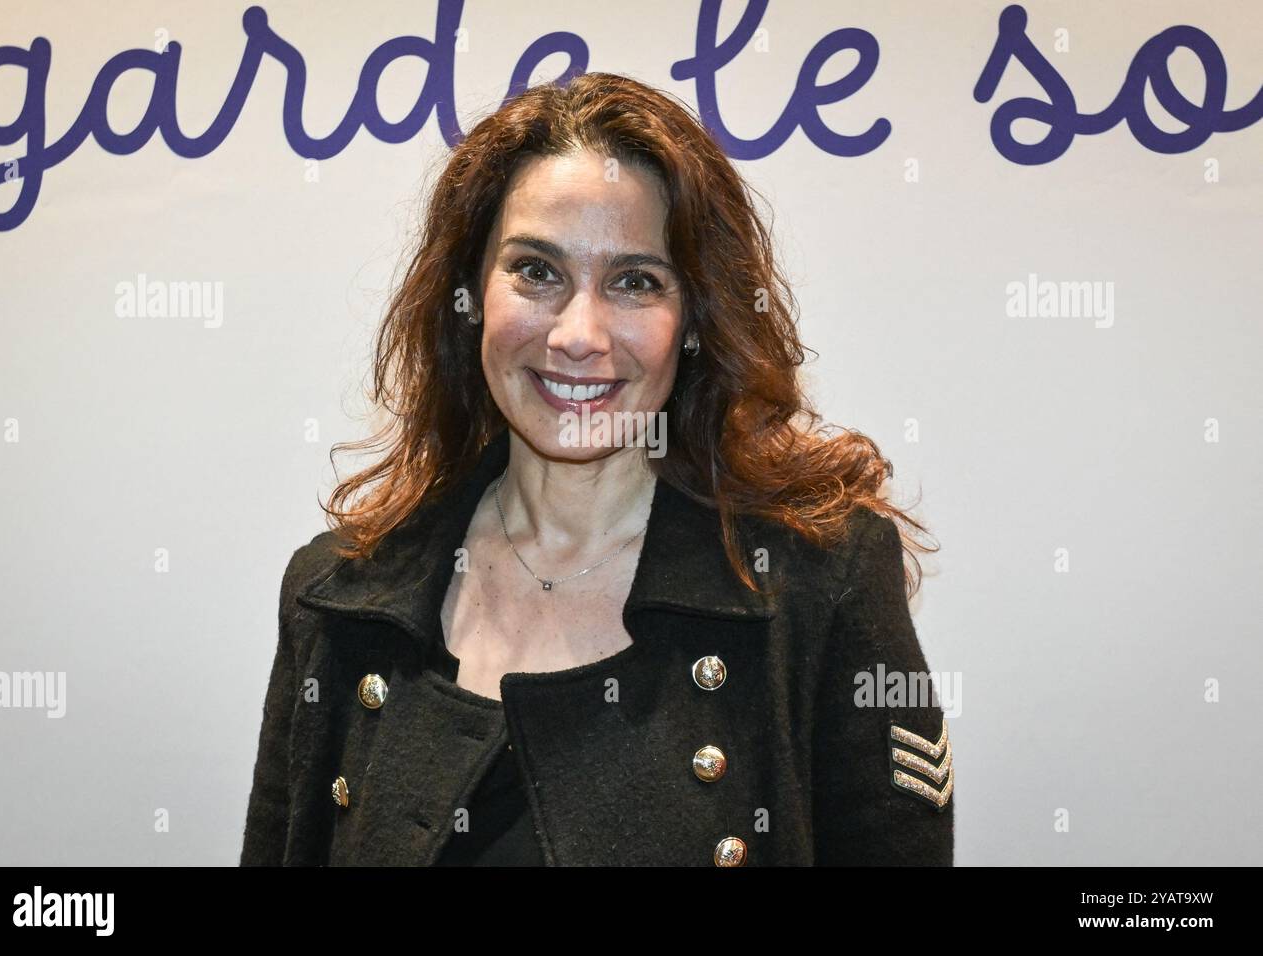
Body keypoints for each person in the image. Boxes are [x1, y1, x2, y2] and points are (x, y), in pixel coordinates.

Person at [239, 72, 952, 867]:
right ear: (471, 294)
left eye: (634, 282)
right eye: (537, 272)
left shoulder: (824, 582)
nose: (579, 334)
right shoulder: (338, 597)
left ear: (694, 319)